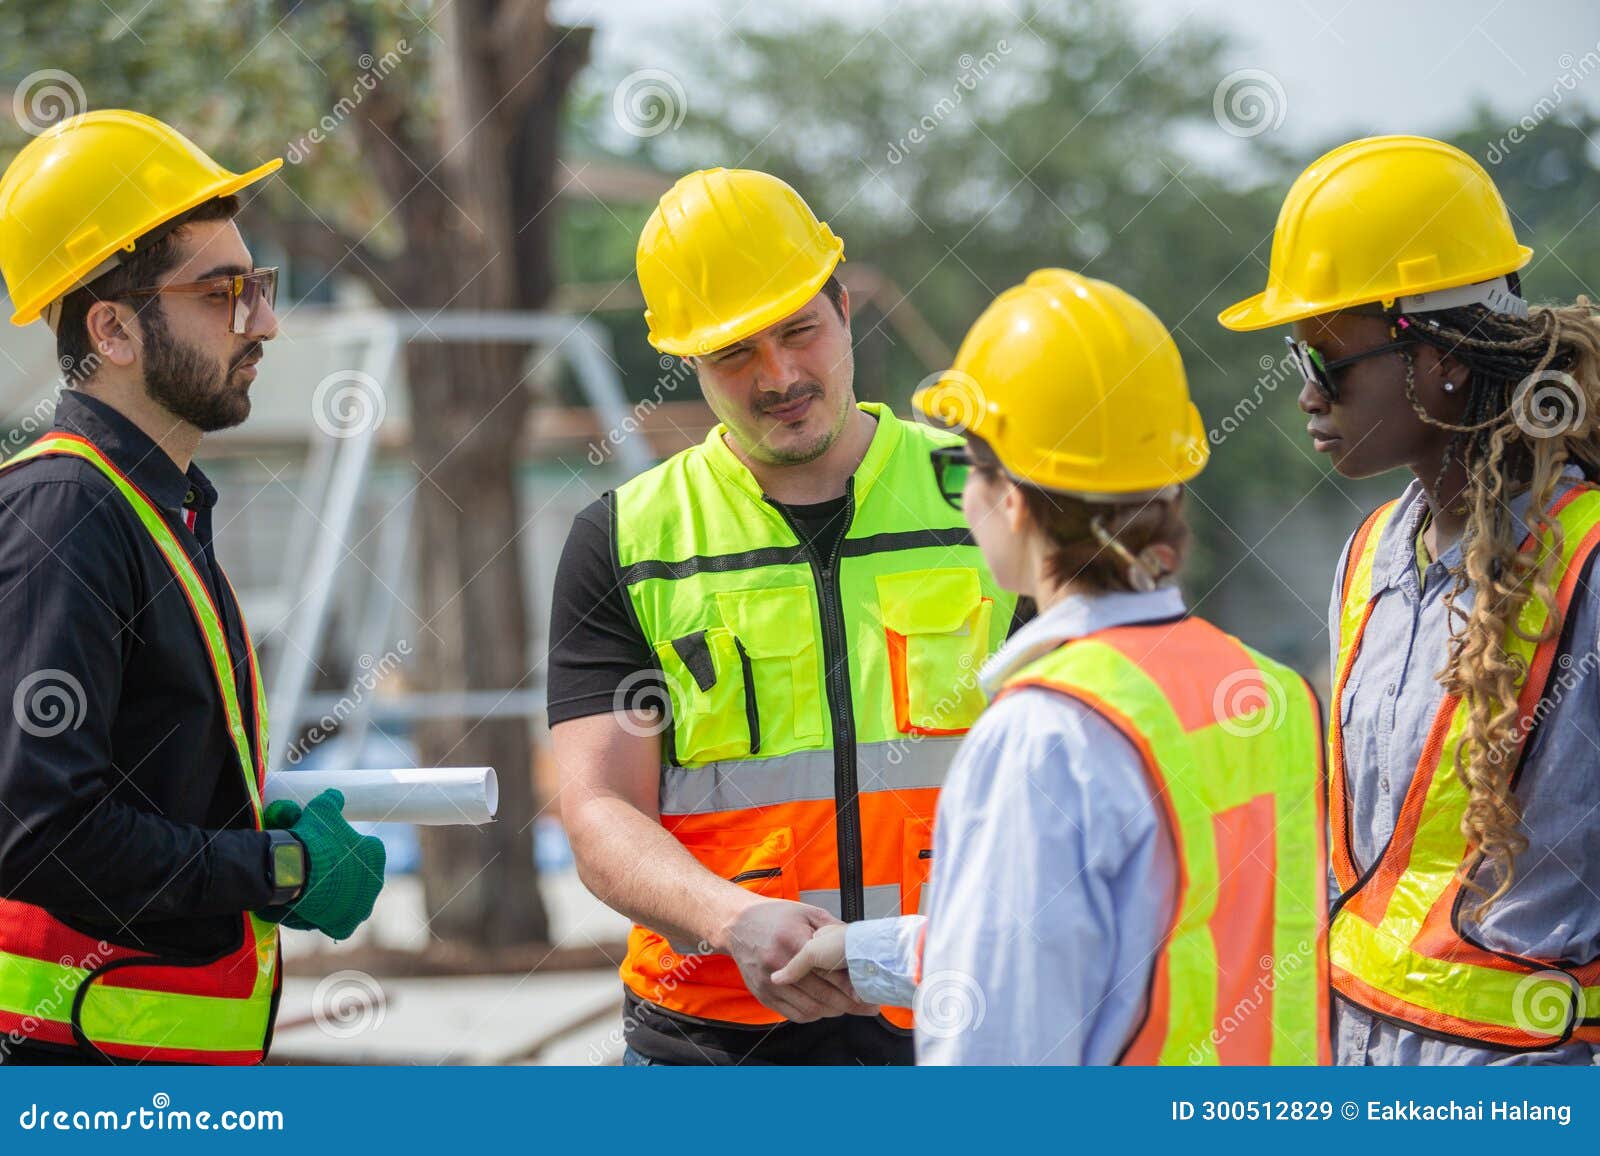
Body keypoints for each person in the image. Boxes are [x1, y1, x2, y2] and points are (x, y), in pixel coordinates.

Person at [773, 269, 1331, 1065]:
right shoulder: (1272, 695)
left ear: (1013, 500)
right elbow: (1148, 939)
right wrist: (865, 953)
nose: (962, 497)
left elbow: (1003, 1044)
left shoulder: (1047, 732)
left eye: (965, 466)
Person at [549, 168, 1022, 1065]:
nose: (779, 376)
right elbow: (600, 809)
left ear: (844, 307)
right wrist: (731, 919)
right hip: (713, 1045)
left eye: (799, 331)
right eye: (734, 354)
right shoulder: (624, 539)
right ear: (690, 361)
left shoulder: (989, 494)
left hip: (963, 1019)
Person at [0, 110, 385, 1065]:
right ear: (115, 329)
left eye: (257, 284)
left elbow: (129, 780)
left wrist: (233, 826)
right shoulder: (67, 511)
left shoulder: (150, 505)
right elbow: (40, 828)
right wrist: (274, 867)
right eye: (223, 292)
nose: (263, 320)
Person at [1218, 134, 1600, 1064]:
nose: (1305, 393)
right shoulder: (1369, 555)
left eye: (1325, 357)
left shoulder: (1588, 562)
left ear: (1441, 355)